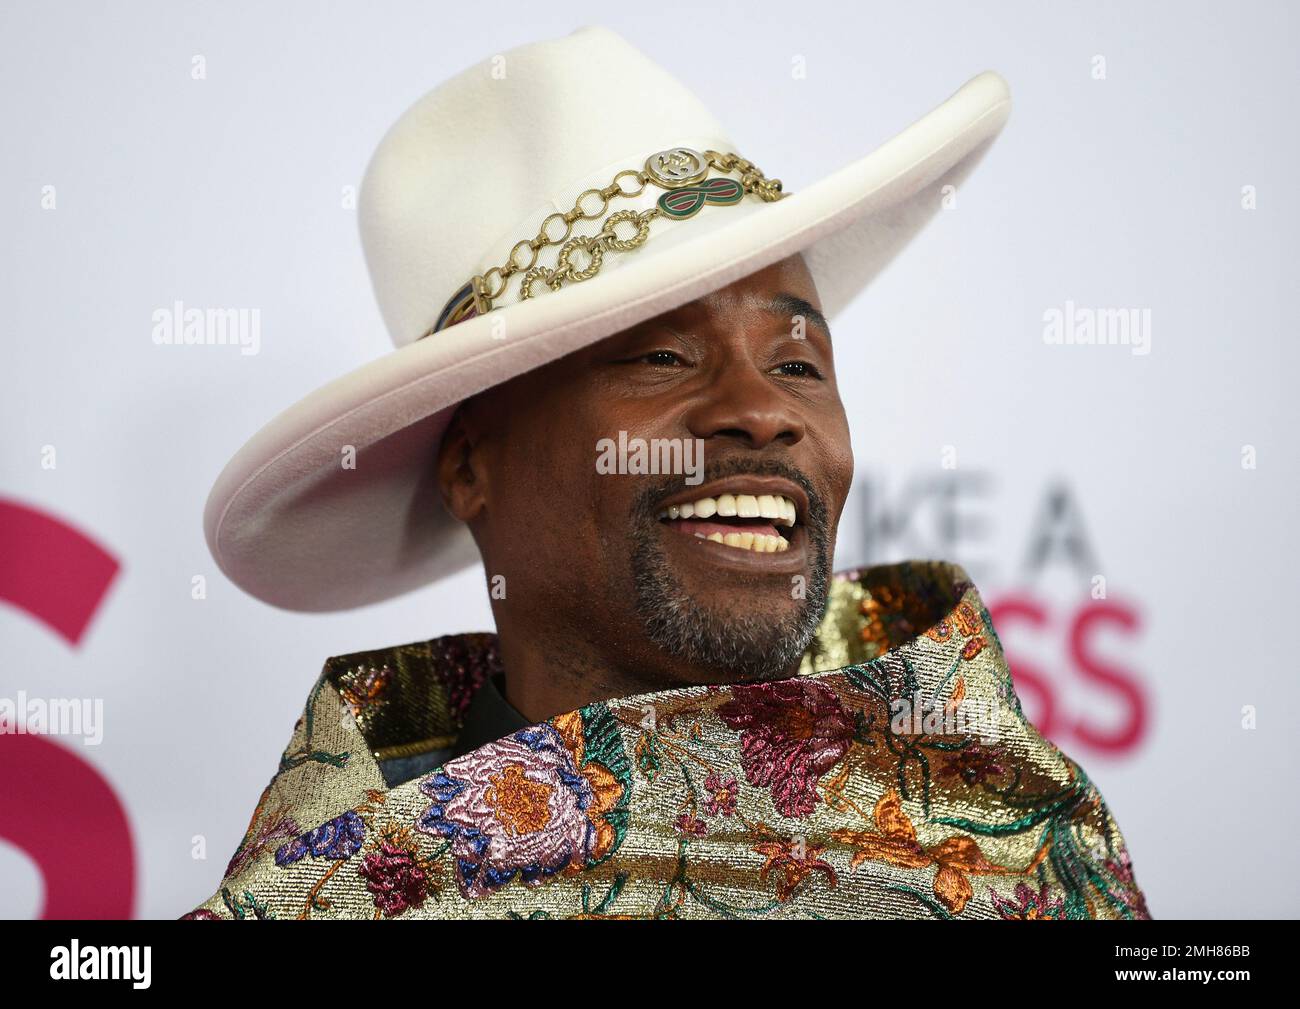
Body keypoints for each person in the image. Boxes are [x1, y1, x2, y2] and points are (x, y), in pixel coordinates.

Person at [185, 26, 1148, 920]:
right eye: (658, 358)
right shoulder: (322, 894)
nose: (765, 411)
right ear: (471, 464)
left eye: (799, 363)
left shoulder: (1031, 852)